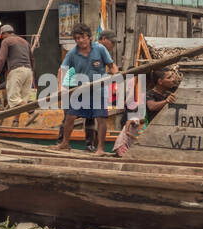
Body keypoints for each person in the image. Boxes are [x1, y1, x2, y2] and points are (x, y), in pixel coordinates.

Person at [55, 23, 116, 155]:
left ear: (89, 37)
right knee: (70, 116)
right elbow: (62, 70)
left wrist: (115, 76)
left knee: (101, 118)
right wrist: (61, 87)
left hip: (98, 90)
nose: (80, 40)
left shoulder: (99, 49)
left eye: (83, 37)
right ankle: (65, 143)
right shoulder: (72, 54)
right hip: (80, 90)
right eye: (77, 38)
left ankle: (100, 148)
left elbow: (112, 66)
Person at [112, 69, 179, 157]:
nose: (172, 79)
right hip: (149, 130)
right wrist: (166, 101)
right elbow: (152, 106)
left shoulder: (168, 94)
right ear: (160, 81)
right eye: (169, 77)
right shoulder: (150, 94)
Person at [0, 24, 34, 124]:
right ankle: (16, 121)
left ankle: (30, 111)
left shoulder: (6, 41)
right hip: (28, 71)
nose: (2, 38)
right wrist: (32, 72)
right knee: (21, 99)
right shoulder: (25, 42)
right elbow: (32, 59)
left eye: (2, 36)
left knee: (13, 98)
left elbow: (1, 58)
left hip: (17, 71)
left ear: (4, 34)